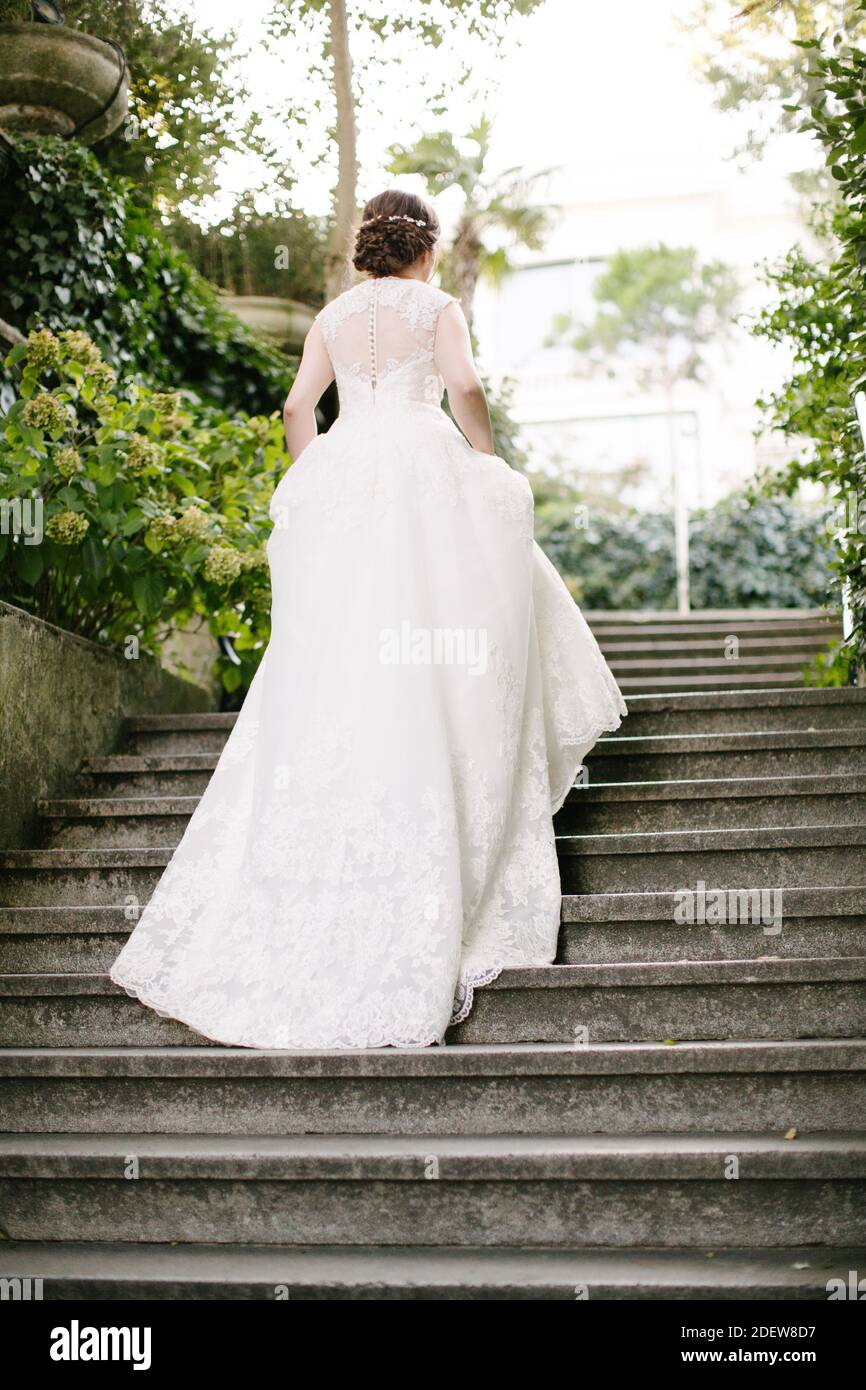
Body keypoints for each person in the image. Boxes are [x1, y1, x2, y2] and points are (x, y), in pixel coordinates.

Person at [110, 188, 626, 1049]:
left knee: (345, 665)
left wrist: (316, 479)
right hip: (424, 465)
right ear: (424, 251)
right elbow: (460, 382)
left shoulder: (333, 316)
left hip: (349, 471)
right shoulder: (439, 306)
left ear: (368, 251)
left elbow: (294, 409)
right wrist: (487, 462)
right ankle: (460, 790)